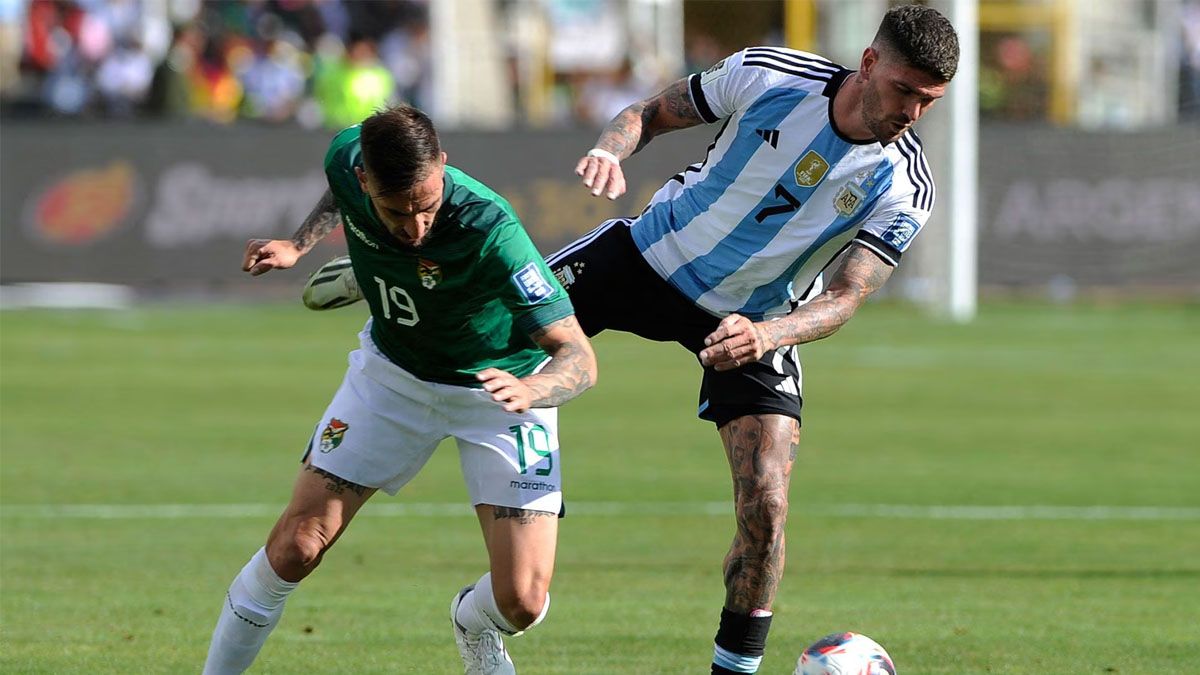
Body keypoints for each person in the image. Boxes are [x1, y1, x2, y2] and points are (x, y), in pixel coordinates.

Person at [552, 5, 958, 674]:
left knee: (766, 501)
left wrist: (766, 332)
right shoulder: (770, 75)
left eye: (930, 101)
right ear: (869, 62)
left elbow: (845, 295)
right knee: (488, 329)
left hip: (753, 319)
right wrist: (608, 147)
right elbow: (649, 114)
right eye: (905, 91)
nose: (913, 111)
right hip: (649, 256)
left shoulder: (906, 184)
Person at [202, 104, 597, 675]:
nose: (415, 227)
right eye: (395, 211)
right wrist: (299, 244)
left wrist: (533, 391)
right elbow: (337, 193)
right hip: (395, 377)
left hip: (503, 389)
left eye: (428, 206)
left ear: (443, 164)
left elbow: (579, 356)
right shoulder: (346, 157)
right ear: (366, 179)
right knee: (297, 545)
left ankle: (471, 619)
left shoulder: (492, 228)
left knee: (523, 602)